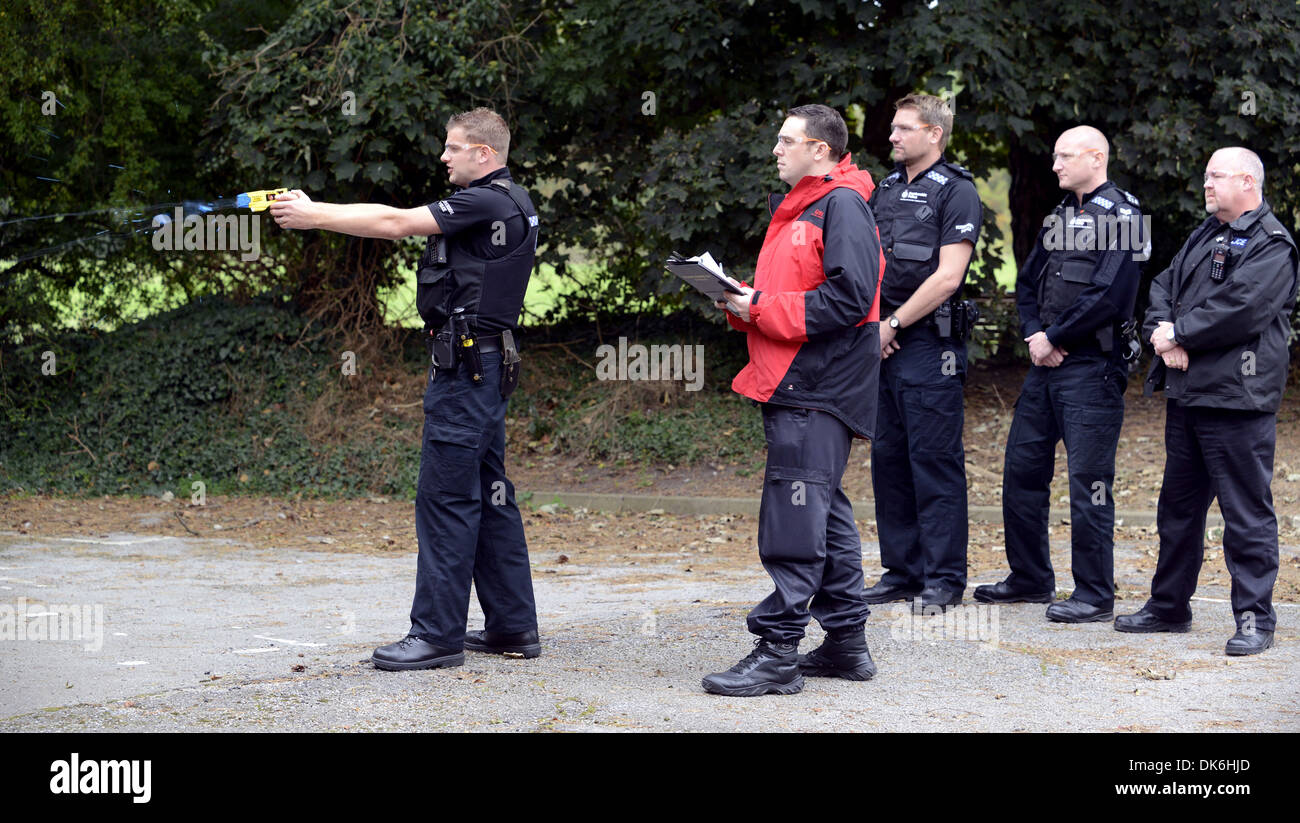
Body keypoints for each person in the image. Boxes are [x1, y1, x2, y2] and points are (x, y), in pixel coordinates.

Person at [269, 107, 541, 669]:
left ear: (484, 153)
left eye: (453, 147)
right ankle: (512, 627)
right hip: (486, 367)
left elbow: (394, 222)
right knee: (490, 493)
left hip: (465, 373)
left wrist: (314, 215)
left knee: (445, 498)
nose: (443, 156)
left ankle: (436, 636)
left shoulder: (487, 201)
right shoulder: (510, 200)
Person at [703, 104, 884, 697]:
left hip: (816, 382)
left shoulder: (841, 205)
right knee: (824, 511)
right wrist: (743, 301)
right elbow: (795, 293)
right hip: (800, 379)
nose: (776, 150)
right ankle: (847, 644)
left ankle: (778, 652)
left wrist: (756, 305)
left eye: (787, 140)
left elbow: (849, 300)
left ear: (821, 150)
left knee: (795, 515)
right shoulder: (805, 208)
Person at [1116, 147, 1297, 655]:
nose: (1207, 184)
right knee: (1177, 509)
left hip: (1237, 400)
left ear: (1248, 182)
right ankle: (1169, 607)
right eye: (1206, 175)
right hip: (1189, 394)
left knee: (1246, 514)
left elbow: (1243, 309)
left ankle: (1255, 620)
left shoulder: (1272, 244)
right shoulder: (1206, 232)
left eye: (1216, 176)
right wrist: (1162, 335)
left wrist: (1181, 334)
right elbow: (1163, 285)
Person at [975, 126, 1144, 623]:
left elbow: (1110, 295)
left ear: (1097, 158)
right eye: (1054, 157)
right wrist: (1035, 334)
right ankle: (1030, 577)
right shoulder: (1062, 214)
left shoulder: (1126, 217)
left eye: (1066, 156)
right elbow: (1028, 281)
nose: (1055, 165)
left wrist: (1056, 337)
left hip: (1092, 367)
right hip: (1045, 364)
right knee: (1022, 470)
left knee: (1089, 483)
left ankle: (1094, 594)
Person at [862, 93, 982, 612]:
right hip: (883, 344)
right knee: (888, 462)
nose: (893, 136)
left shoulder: (957, 191)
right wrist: (876, 327)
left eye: (904, 128)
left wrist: (893, 324)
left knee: (934, 462)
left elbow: (948, 277)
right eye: (893, 127)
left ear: (934, 134)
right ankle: (902, 572)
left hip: (930, 347)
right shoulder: (884, 189)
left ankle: (943, 579)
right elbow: (866, 266)